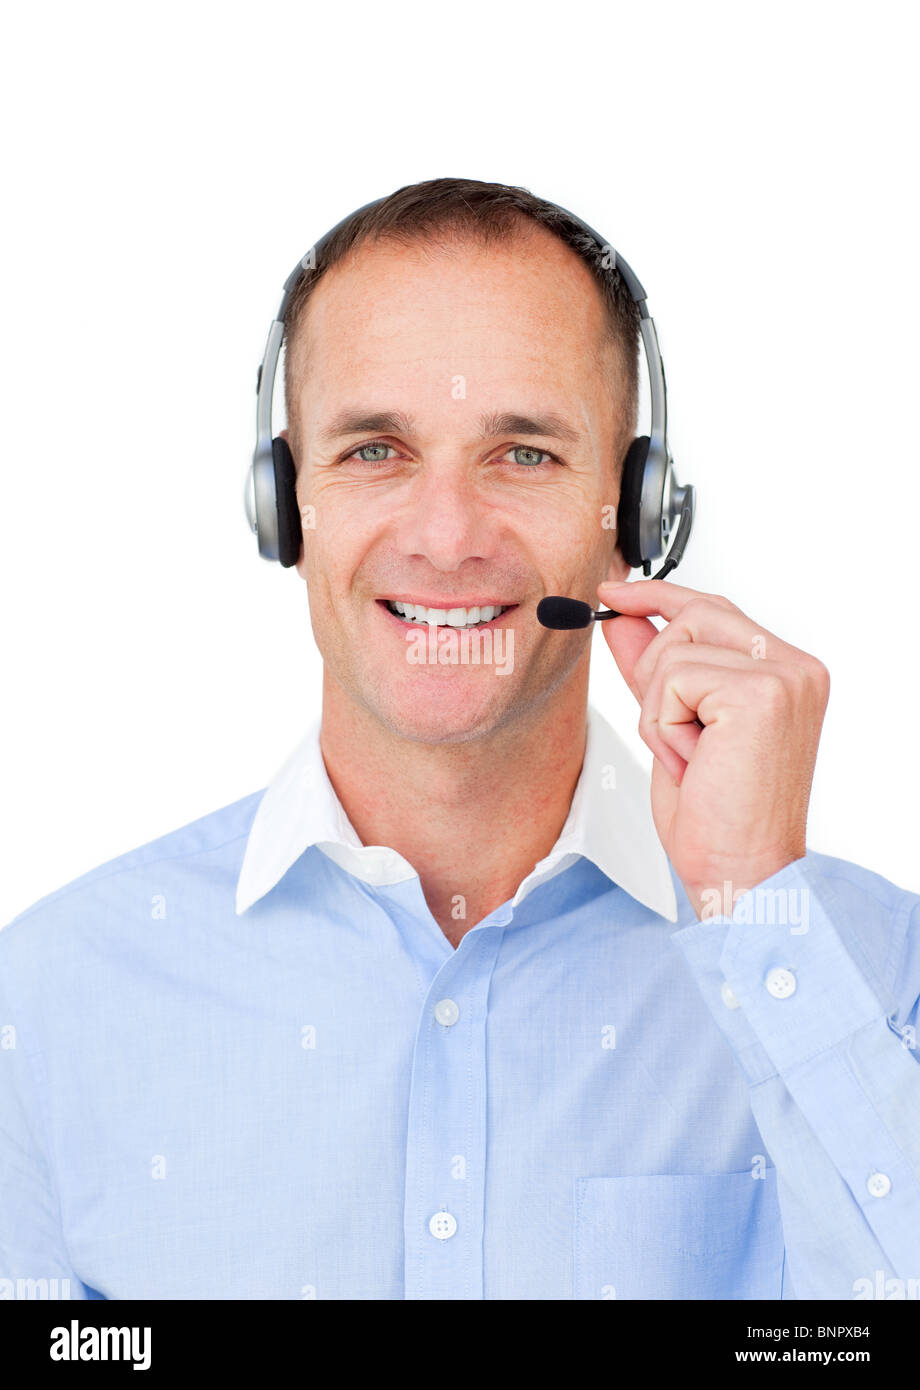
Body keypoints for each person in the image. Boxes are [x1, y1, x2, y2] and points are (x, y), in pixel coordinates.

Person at [2, 177, 917, 1302]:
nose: (445, 536)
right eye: (375, 450)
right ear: (284, 504)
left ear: (633, 512)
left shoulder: (868, 974)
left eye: (523, 453)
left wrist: (755, 918)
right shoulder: (47, 1002)